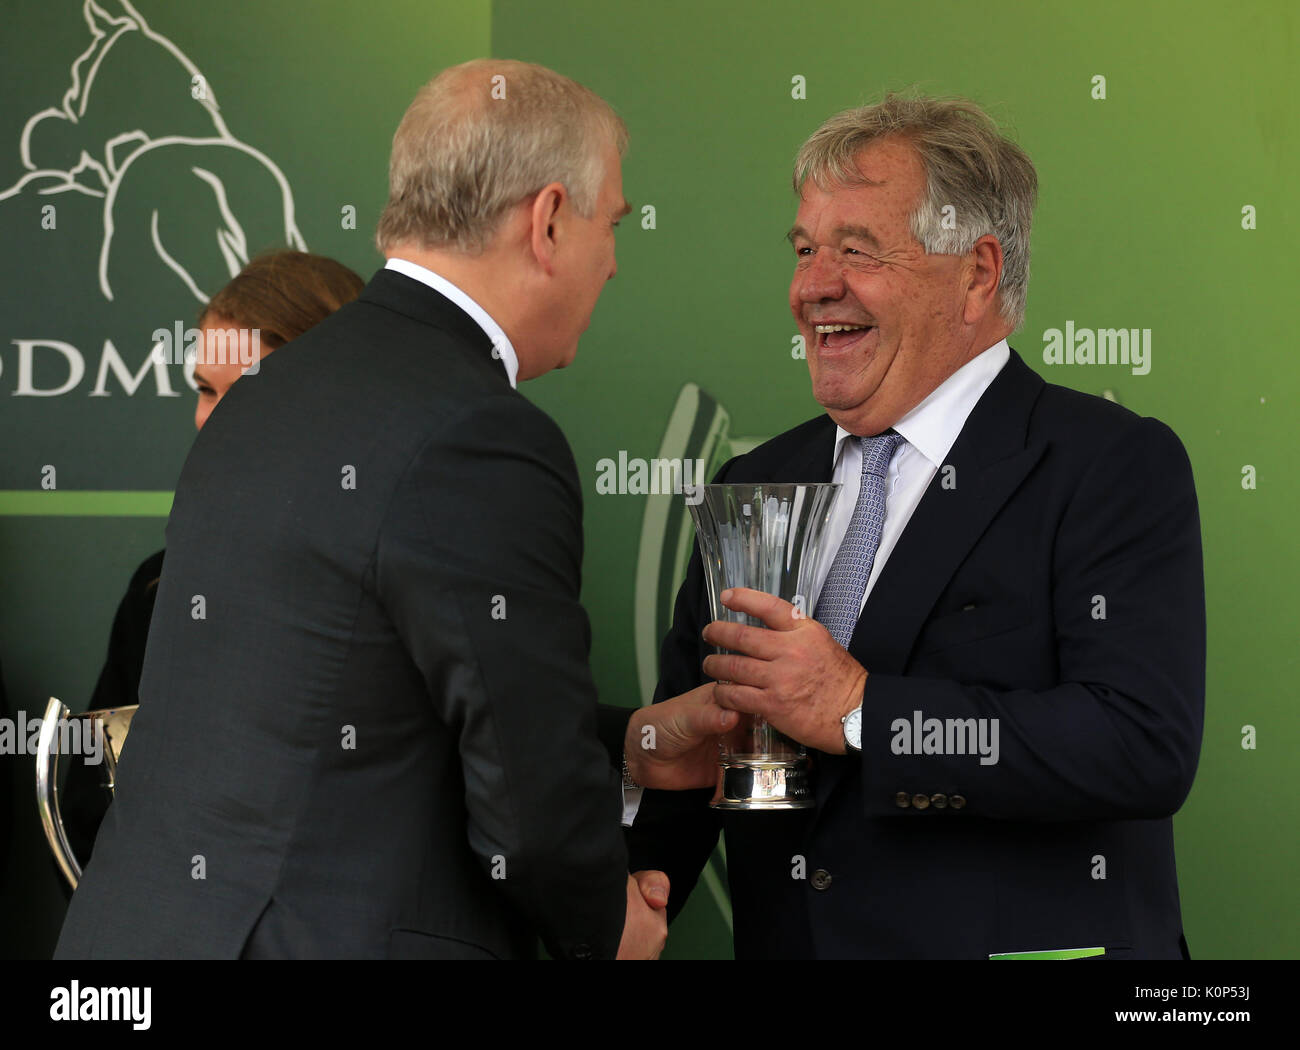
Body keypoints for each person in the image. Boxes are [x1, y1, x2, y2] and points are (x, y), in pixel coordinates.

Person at [55, 59, 731, 961]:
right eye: (612, 222)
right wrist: (610, 924)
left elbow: (350, 705)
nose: (613, 258)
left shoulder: (260, 396)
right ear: (549, 221)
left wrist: (635, 745)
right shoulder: (482, 435)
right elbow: (524, 812)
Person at [628, 94, 1205, 959]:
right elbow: (700, 758)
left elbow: (1138, 744)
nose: (812, 286)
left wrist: (862, 711)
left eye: (856, 250)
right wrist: (626, 893)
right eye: (804, 249)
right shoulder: (754, 482)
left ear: (975, 273)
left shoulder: (1106, 464)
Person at [59, 251, 367, 872]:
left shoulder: (413, 575)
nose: (216, 420)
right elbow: (86, 805)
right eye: (205, 389)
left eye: (254, 391)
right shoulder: (158, 585)